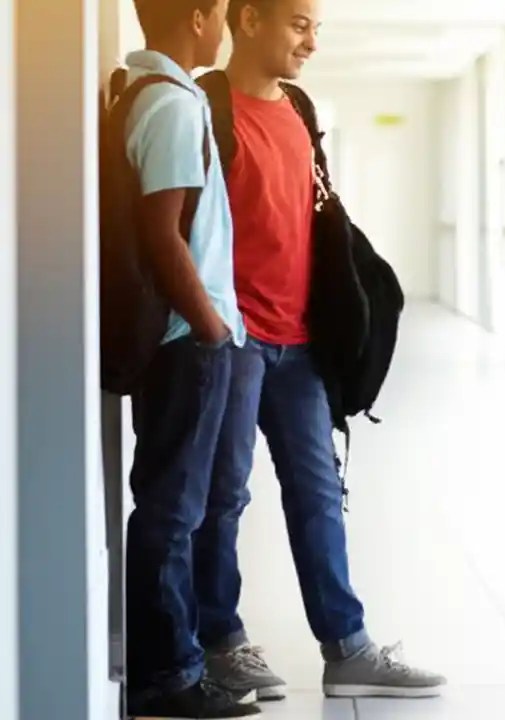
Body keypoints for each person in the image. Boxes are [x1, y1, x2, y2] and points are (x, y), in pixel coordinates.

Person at [188, 0, 445, 701]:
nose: (310, 40)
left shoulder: (299, 108)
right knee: (223, 497)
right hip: (234, 337)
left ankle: (347, 646)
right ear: (248, 20)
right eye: (299, 23)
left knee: (319, 493)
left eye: (317, 28)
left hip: (299, 343)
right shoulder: (206, 105)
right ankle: (220, 640)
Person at [120, 0, 259, 717]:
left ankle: (169, 663)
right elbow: (163, 232)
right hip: (188, 342)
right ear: (201, 16)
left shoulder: (150, 94)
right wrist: (211, 328)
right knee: (173, 509)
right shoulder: (173, 105)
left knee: (177, 503)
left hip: (188, 338)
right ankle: (168, 674)